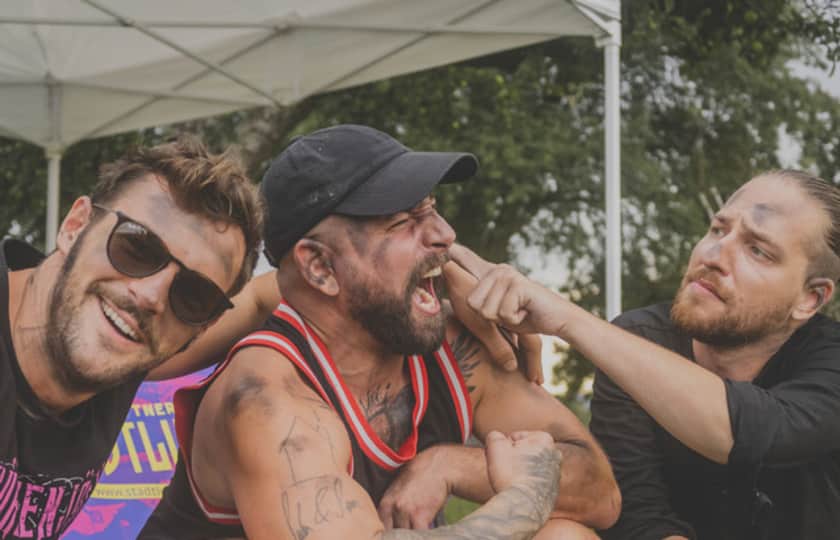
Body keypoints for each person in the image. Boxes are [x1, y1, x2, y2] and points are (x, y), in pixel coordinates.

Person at [138, 124, 620, 540]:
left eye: (432, 209)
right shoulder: (265, 401)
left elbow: (601, 492)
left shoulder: (445, 345)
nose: (446, 236)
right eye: (405, 222)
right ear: (321, 267)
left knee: (566, 534)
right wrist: (526, 495)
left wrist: (452, 464)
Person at [446, 169, 840, 540]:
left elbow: (761, 432)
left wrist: (566, 318)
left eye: (757, 250)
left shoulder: (830, 358)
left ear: (810, 299)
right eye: (718, 229)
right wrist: (440, 260)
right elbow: (637, 513)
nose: (715, 255)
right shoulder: (638, 339)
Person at [0, 137, 264, 540]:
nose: (151, 296)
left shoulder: (123, 347)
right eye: (137, 248)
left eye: (193, 297)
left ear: (201, 328)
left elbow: (264, 298)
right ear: (75, 228)